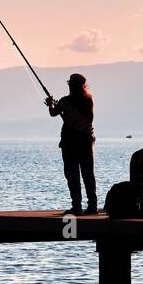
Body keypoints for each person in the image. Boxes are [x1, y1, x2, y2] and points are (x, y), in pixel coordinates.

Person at [45, 73, 97, 215]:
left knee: (72, 175)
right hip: (86, 141)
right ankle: (92, 206)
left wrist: (51, 104)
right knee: (87, 174)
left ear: (70, 86)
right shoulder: (88, 100)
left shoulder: (64, 101)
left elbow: (53, 113)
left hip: (70, 142)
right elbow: (89, 120)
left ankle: (77, 206)